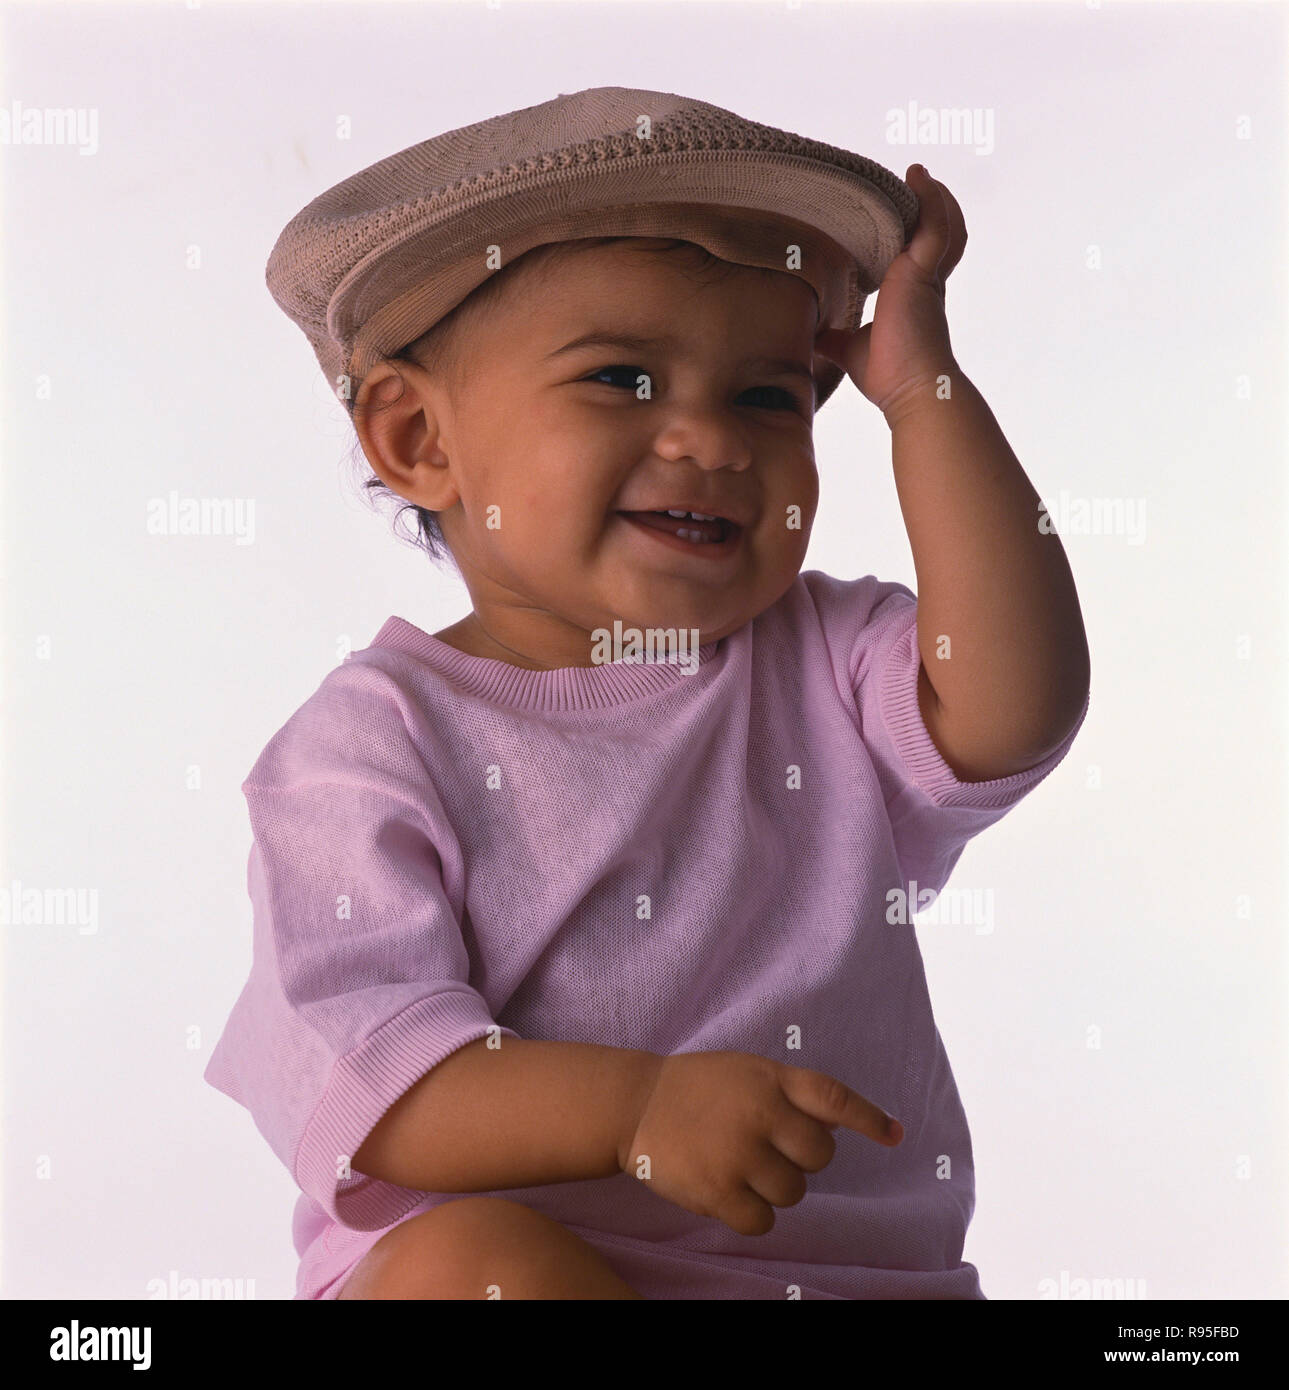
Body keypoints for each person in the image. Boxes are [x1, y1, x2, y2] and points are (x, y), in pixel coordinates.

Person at [204, 86, 1090, 1300]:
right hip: (535, 1277)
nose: (713, 443)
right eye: (623, 378)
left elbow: (1011, 706)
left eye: (768, 396)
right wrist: (634, 1108)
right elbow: (378, 1080)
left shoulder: (819, 658)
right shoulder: (367, 750)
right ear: (419, 440)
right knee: (469, 1267)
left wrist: (920, 390)